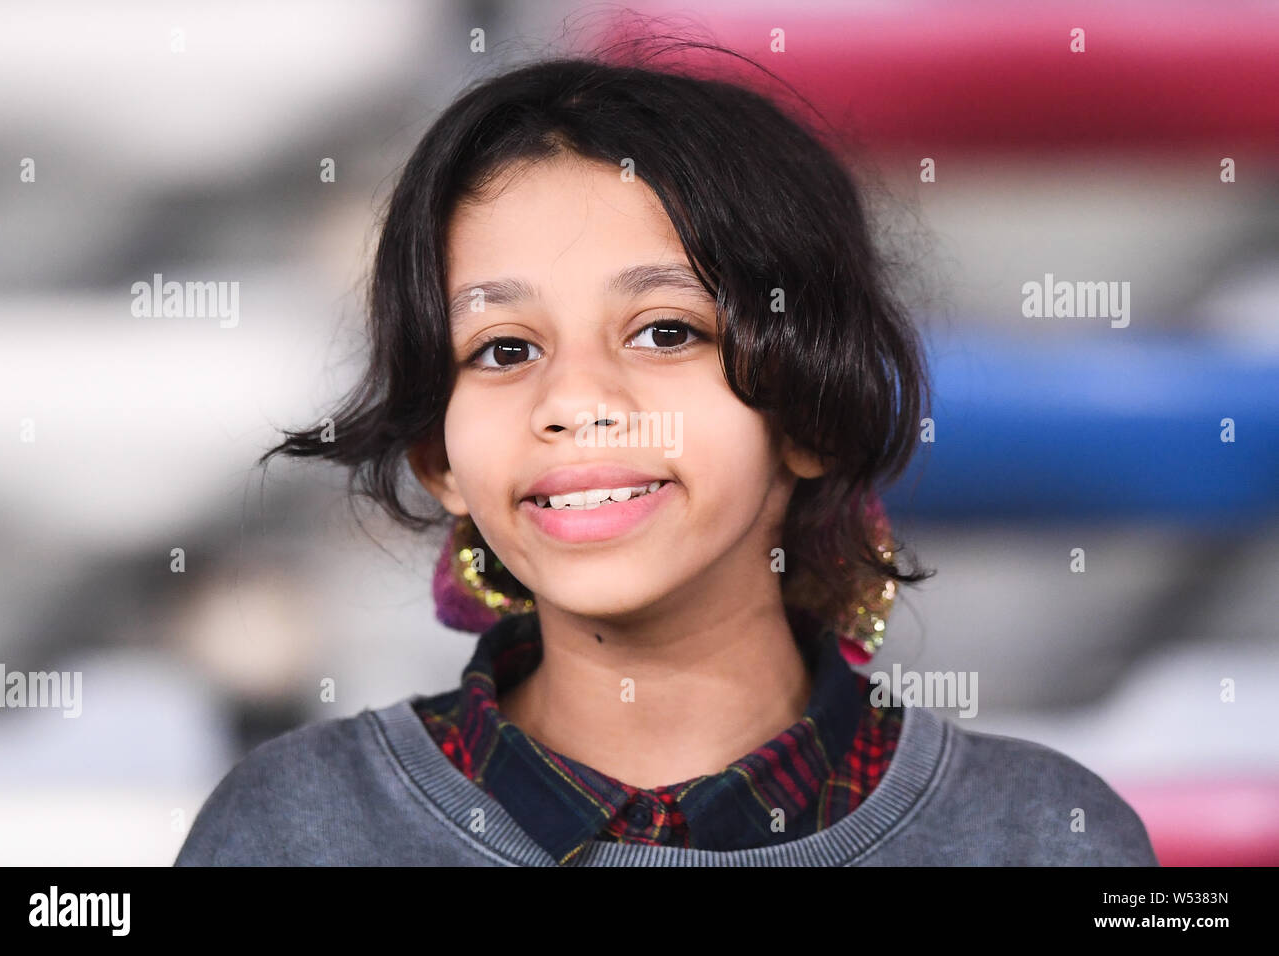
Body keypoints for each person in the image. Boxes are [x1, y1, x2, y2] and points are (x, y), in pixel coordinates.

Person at [174, 40, 1158, 866]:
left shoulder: (1045, 837)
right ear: (438, 457)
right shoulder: (292, 830)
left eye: (665, 331)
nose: (576, 403)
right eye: (503, 349)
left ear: (811, 410)